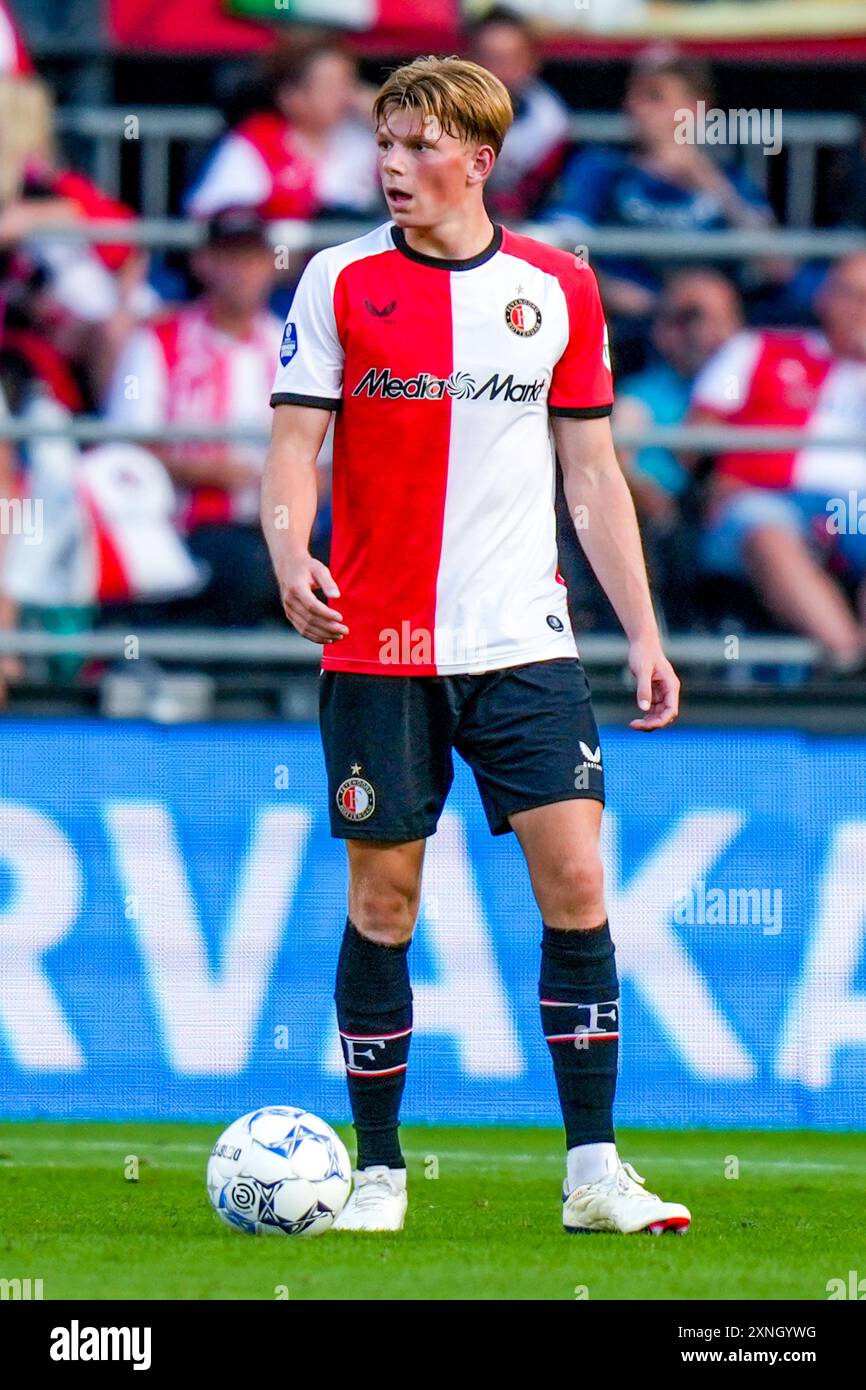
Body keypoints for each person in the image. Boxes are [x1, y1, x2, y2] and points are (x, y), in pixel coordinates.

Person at [262, 55, 690, 1235]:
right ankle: (383, 1171)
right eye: (383, 145)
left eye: (415, 147)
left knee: (576, 880)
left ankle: (593, 1171)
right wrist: (290, 551)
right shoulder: (337, 282)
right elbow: (293, 451)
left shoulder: (557, 285)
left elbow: (590, 471)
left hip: (522, 641)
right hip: (376, 643)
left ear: (478, 160)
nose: (392, 167)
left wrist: (641, 630)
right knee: (385, 903)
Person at [104, 209, 286, 627]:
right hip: (182, 524)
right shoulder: (158, 342)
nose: (242, 272)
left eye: (252, 258)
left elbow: (326, 462)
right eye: (229, 257)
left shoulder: (292, 345)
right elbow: (125, 449)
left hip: (280, 527)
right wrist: (203, 471)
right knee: (242, 567)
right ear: (202, 263)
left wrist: (282, 489)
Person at [690, 252, 866, 671]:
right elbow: (694, 440)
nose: (859, 308)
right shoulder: (758, 348)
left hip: (856, 506)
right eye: (852, 294)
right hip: (766, 500)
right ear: (825, 297)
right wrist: (724, 472)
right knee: (766, 531)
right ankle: (848, 664)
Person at [540, 48, 775, 332]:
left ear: (697, 109)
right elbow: (556, 247)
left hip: (708, 329)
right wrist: (607, 289)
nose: (634, 108)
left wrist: (707, 179)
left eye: (654, 97)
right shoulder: (602, 169)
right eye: (632, 96)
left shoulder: (727, 178)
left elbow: (777, 266)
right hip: (622, 325)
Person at [612, 269, 743, 623]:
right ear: (661, 332)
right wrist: (644, 492)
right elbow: (617, 467)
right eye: (683, 320)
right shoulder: (639, 396)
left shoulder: (753, 387)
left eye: (713, 320)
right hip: (665, 521)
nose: (700, 334)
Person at [185, 35, 381, 222]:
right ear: (290, 95)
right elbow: (218, 218)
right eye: (329, 85)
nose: (344, 96)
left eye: (347, 83)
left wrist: (384, 112)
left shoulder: (364, 140)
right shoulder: (253, 144)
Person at [466, 5, 570, 221]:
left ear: (532, 62)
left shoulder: (549, 122)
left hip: (522, 224)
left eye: (509, 59)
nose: (497, 72)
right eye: (488, 58)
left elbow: (535, 198)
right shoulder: (440, 112)